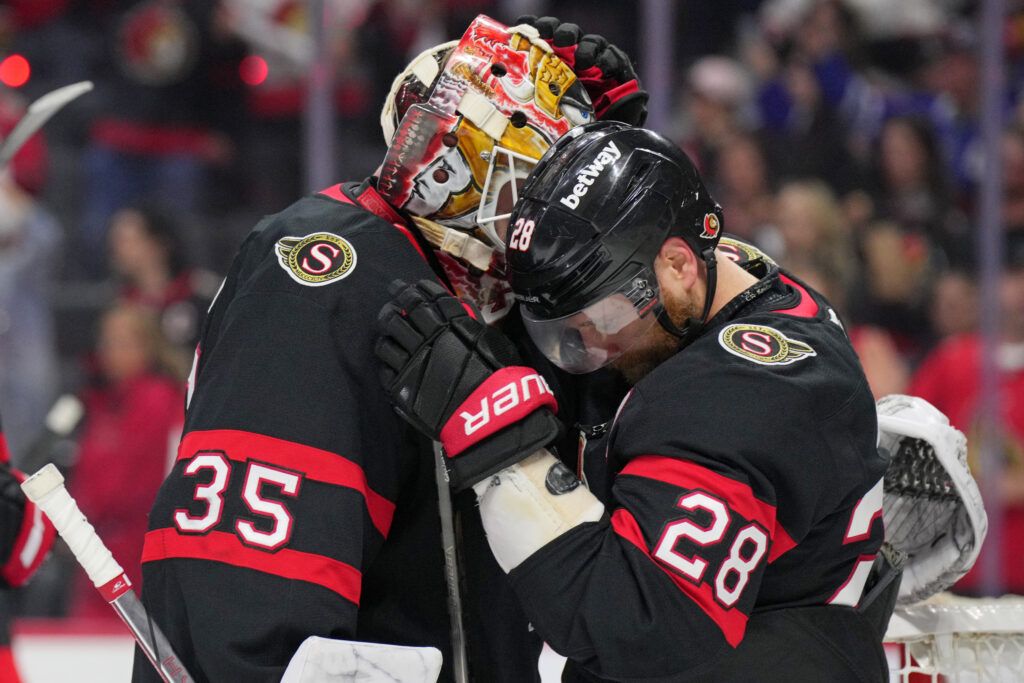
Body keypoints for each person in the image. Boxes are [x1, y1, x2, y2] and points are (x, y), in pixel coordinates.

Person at [133, 15, 647, 682]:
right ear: (459, 177)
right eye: (537, 181)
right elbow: (246, 581)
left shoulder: (490, 288)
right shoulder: (325, 274)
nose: (558, 212)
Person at [375, 123, 890, 681]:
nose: (592, 345)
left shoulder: (733, 400)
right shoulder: (740, 281)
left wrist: (496, 440)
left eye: (605, 319)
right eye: (568, 331)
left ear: (677, 265)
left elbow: (635, 626)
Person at [68, 304, 185, 621]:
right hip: (99, 546)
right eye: (107, 342)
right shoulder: (104, 401)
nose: (110, 353)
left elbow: (128, 484)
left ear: (147, 347)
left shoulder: (156, 399)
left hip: (134, 550)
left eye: (122, 343)